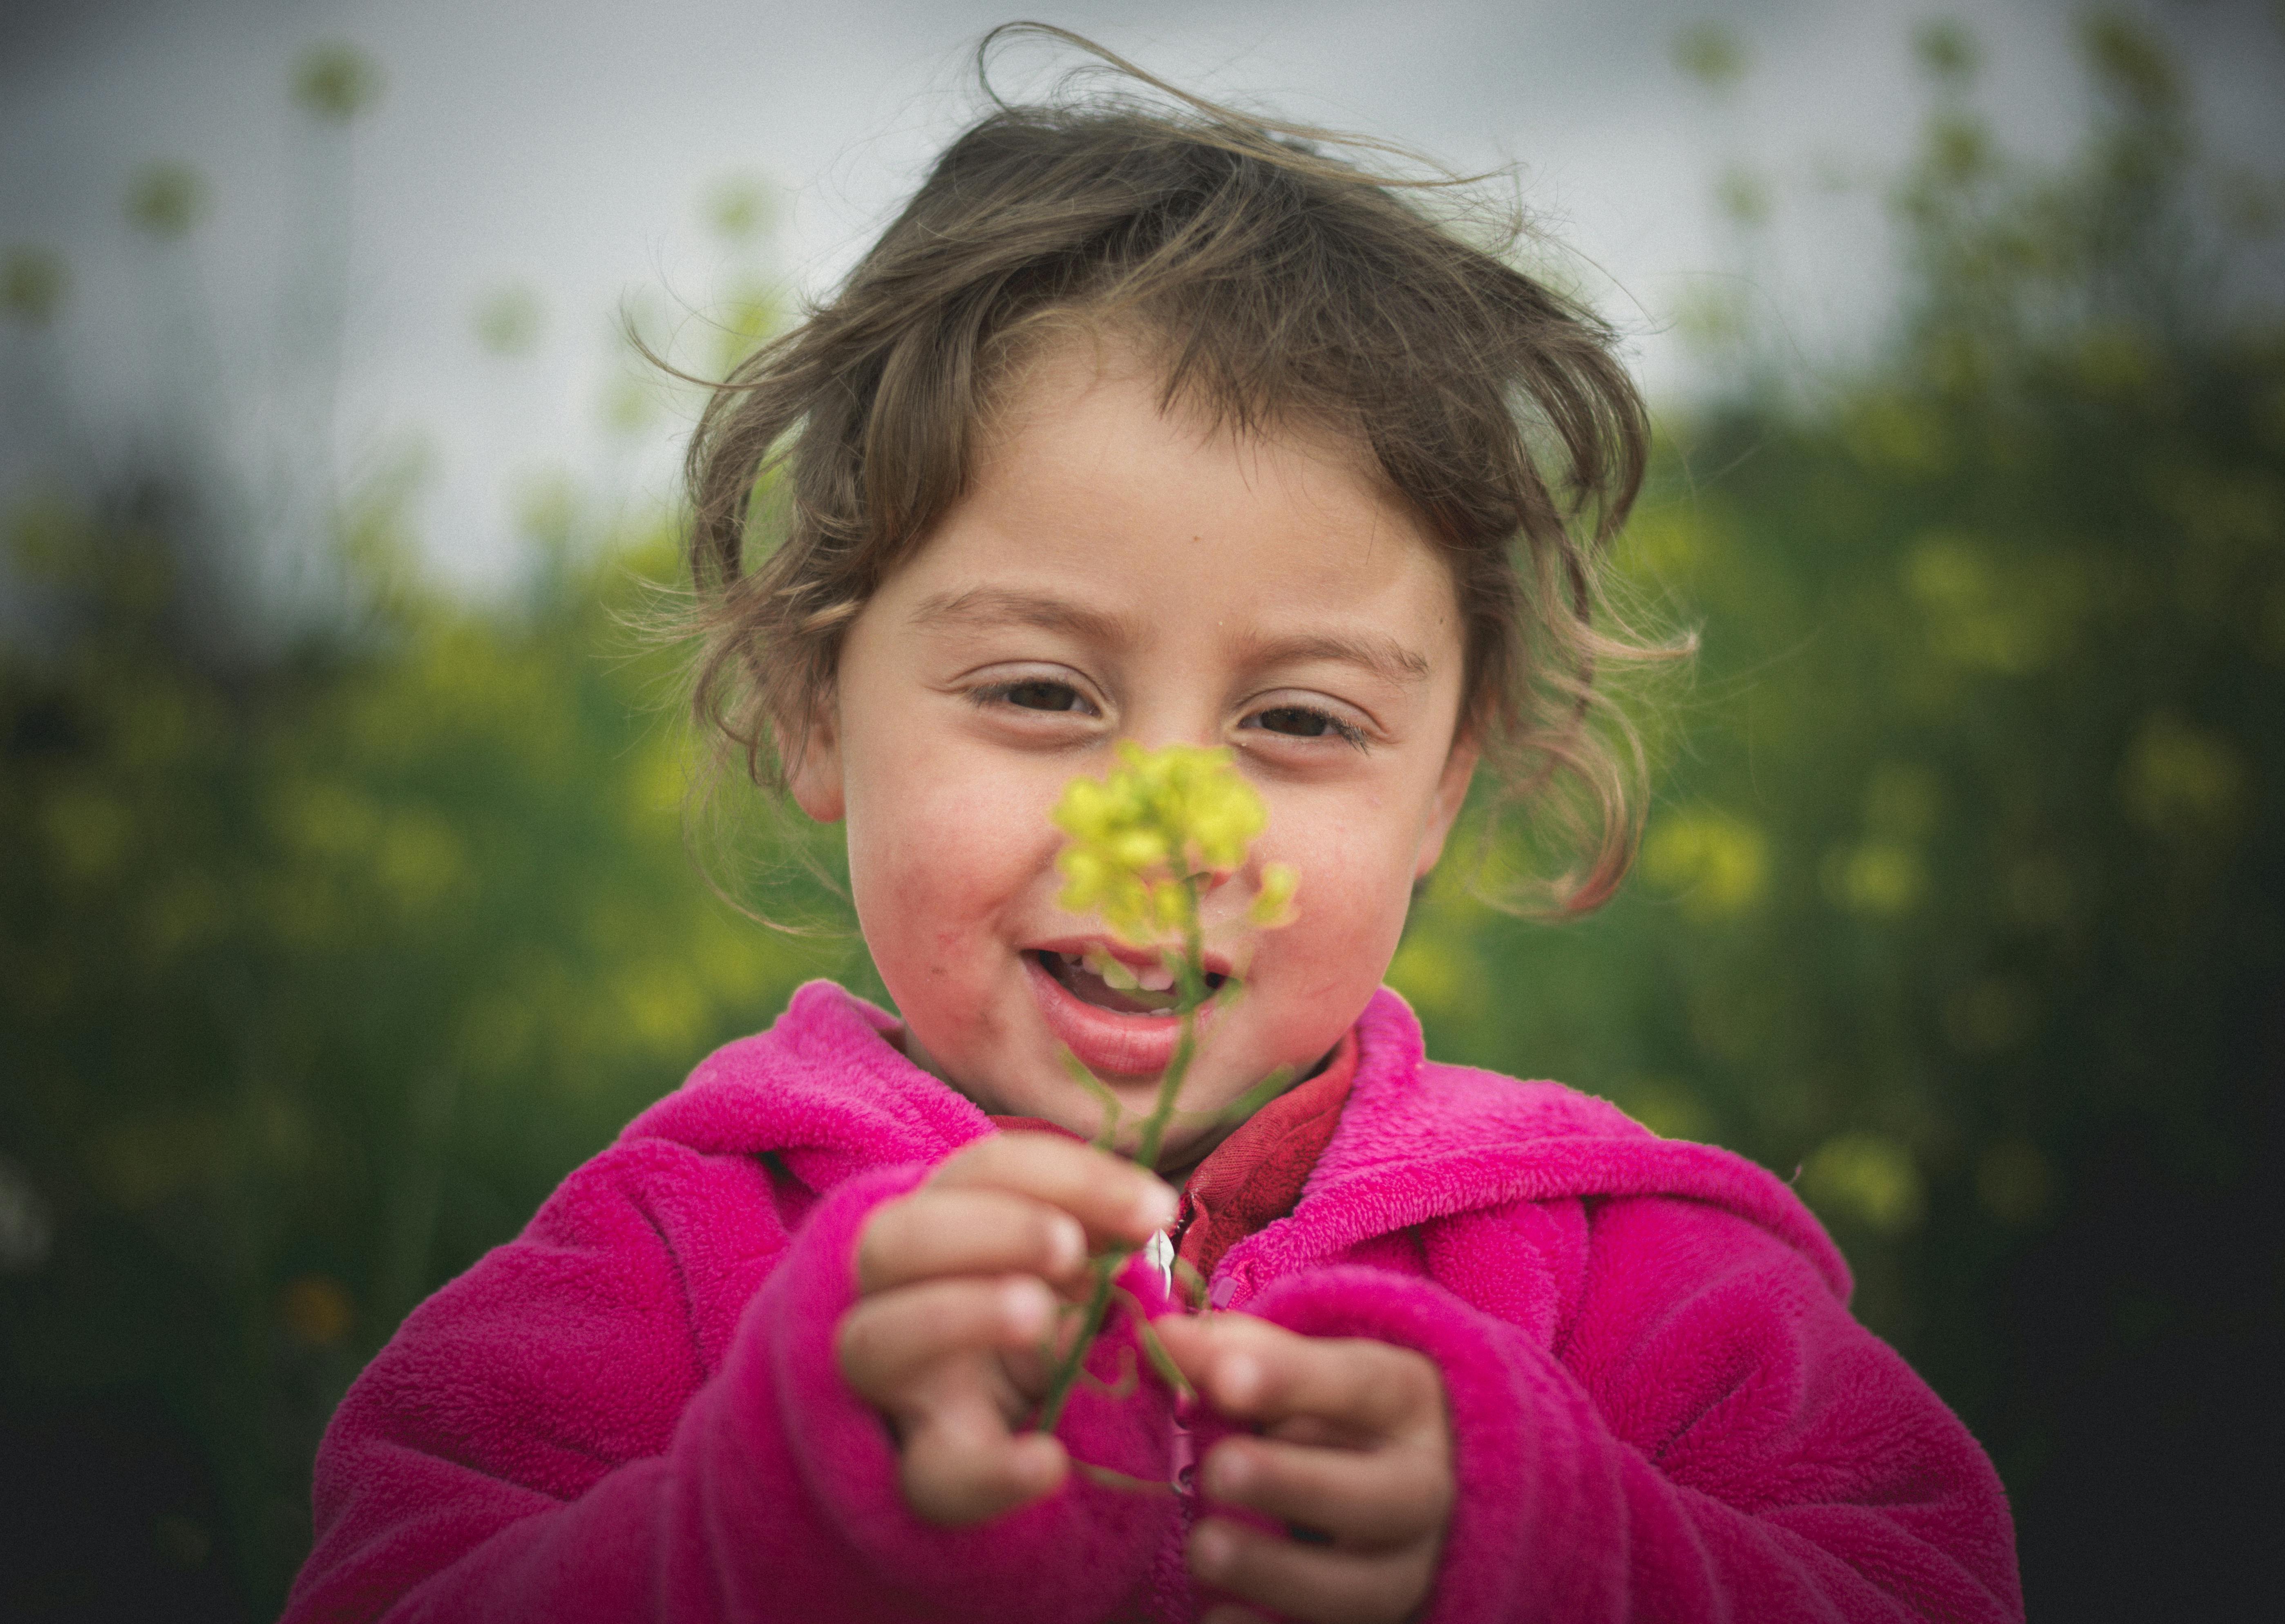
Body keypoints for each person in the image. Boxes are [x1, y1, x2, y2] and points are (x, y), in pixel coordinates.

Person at [284, 31, 2022, 1624]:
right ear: (818, 712)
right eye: (1040, 692)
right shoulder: (670, 1252)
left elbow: (1925, 1578)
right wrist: (774, 1520)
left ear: (1447, 782)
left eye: (1300, 722)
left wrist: (1564, 1553)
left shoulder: (1625, 1262)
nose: (1167, 822)